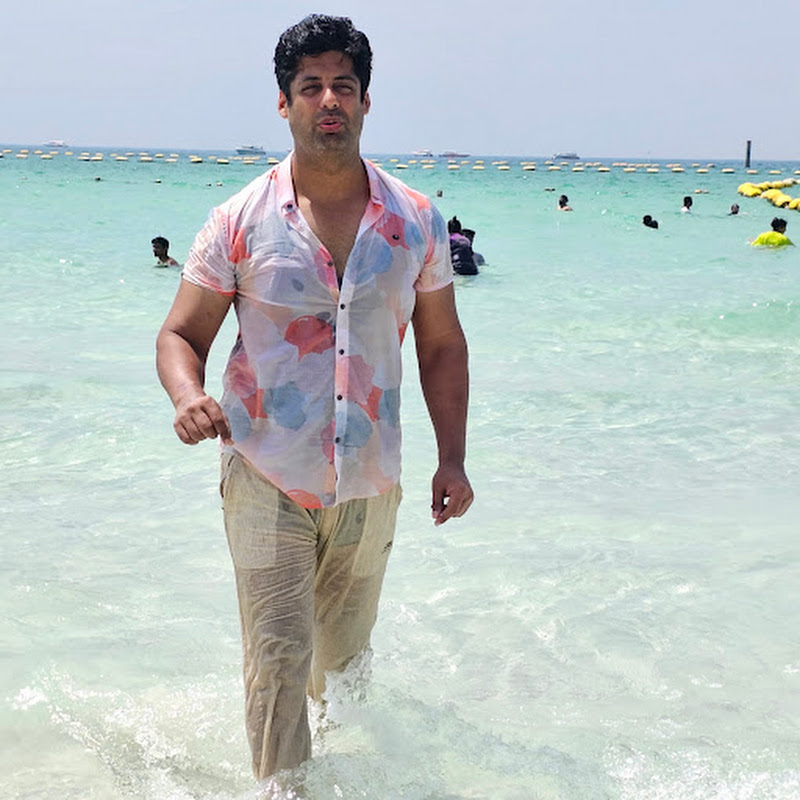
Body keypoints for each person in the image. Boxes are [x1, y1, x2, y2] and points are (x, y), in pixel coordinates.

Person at [155, 14, 473, 781]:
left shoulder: (415, 219)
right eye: (311, 87)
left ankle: (345, 781)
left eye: (343, 86)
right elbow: (181, 335)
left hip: (370, 482)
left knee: (343, 670)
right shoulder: (239, 220)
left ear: (365, 101)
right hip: (265, 472)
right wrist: (187, 395)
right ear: (284, 103)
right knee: (278, 660)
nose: (329, 100)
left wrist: (454, 459)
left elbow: (440, 344)